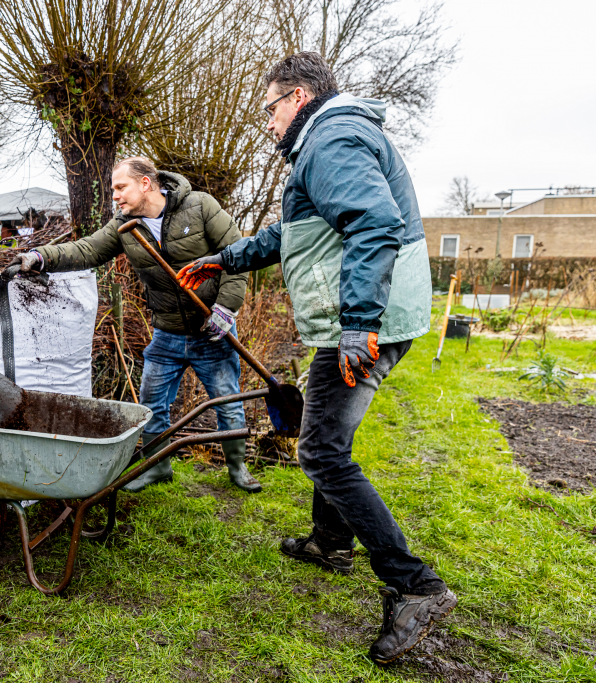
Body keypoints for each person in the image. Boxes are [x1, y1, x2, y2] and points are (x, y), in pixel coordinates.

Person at [177, 52, 456, 663]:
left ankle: (416, 586)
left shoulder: (333, 138)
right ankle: (329, 542)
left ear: (297, 97)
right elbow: (293, 235)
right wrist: (229, 258)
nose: (269, 121)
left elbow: (374, 224)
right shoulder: (325, 145)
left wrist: (359, 325)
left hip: (360, 325)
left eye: (270, 108)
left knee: (321, 449)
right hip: (358, 320)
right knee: (329, 437)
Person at [10, 157, 257, 493]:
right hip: (167, 333)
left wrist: (227, 308)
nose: (115, 196)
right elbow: (87, 250)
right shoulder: (125, 225)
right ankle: (158, 467)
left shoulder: (199, 207)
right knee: (151, 404)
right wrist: (41, 257)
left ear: (145, 184)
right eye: (113, 189)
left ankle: (237, 467)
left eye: (120, 187)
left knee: (227, 400)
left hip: (211, 330)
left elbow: (237, 254)